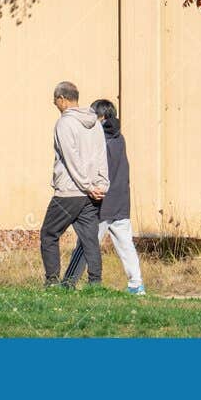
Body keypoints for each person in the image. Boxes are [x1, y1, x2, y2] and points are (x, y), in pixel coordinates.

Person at [64, 99, 145, 295]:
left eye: (93, 115)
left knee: (86, 243)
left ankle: (68, 283)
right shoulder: (119, 138)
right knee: (126, 246)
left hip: (101, 204)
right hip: (120, 203)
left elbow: (94, 170)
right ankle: (136, 284)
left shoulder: (99, 140)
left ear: (101, 117)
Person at [39, 81, 109, 287]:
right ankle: (95, 284)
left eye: (55, 101)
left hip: (69, 192)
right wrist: (100, 185)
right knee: (89, 240)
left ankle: (52, 282)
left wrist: (86, 185)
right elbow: (101, 155)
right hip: (91, 194)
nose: (55, 105)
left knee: (49, 234)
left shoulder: (64, 123)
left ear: (62, 99)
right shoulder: (95, 123)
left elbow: (72, 159)